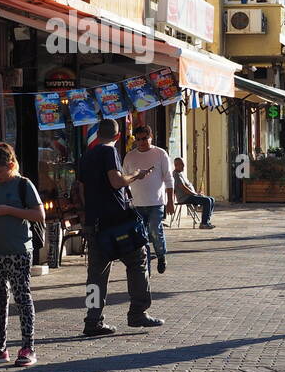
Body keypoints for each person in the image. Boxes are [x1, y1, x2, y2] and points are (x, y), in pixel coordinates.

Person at [78, 118, 160, 335]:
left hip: (95, 224)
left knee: (96, 275)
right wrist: (136, 175)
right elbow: (116, 181)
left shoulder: (86, 156)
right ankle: (138, 313)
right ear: (117, 136)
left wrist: (88, 216)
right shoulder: (108, 152)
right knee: (138, 262)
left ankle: (92, 320)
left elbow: (79, 189)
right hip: (117, 222)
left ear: (98, 134)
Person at [0, 143, 44, 366]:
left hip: (18, 251)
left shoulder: (24, 185)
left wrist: (8, 210)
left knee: (22, 297)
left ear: (11, 165)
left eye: (0, 171)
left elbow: (39, 215)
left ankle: (28, 346)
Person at [123, 124, 174, 273]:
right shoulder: (130, 156)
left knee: (155, 230)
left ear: (151, 138)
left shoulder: (160, 154)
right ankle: (145, 265)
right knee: (141, 236)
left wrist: (170, 202)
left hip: (156, 202)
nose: (142, 142)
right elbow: (123, 179)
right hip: (137, 204)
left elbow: (169, 179)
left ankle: (161, 255)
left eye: (145, 138)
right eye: (138, 139)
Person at [172, 157, 215, 227]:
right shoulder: (176, 175)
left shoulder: (181, 173)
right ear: (176, 165)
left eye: (183, 164)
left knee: (212, 199)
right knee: (207, 201)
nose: (183, 166)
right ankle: (204, 223)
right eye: (181, 164)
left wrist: (197, 193)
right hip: (185, 197)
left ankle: (207, 221)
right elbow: (183, 188)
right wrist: (195, 194)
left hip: (190, 195)